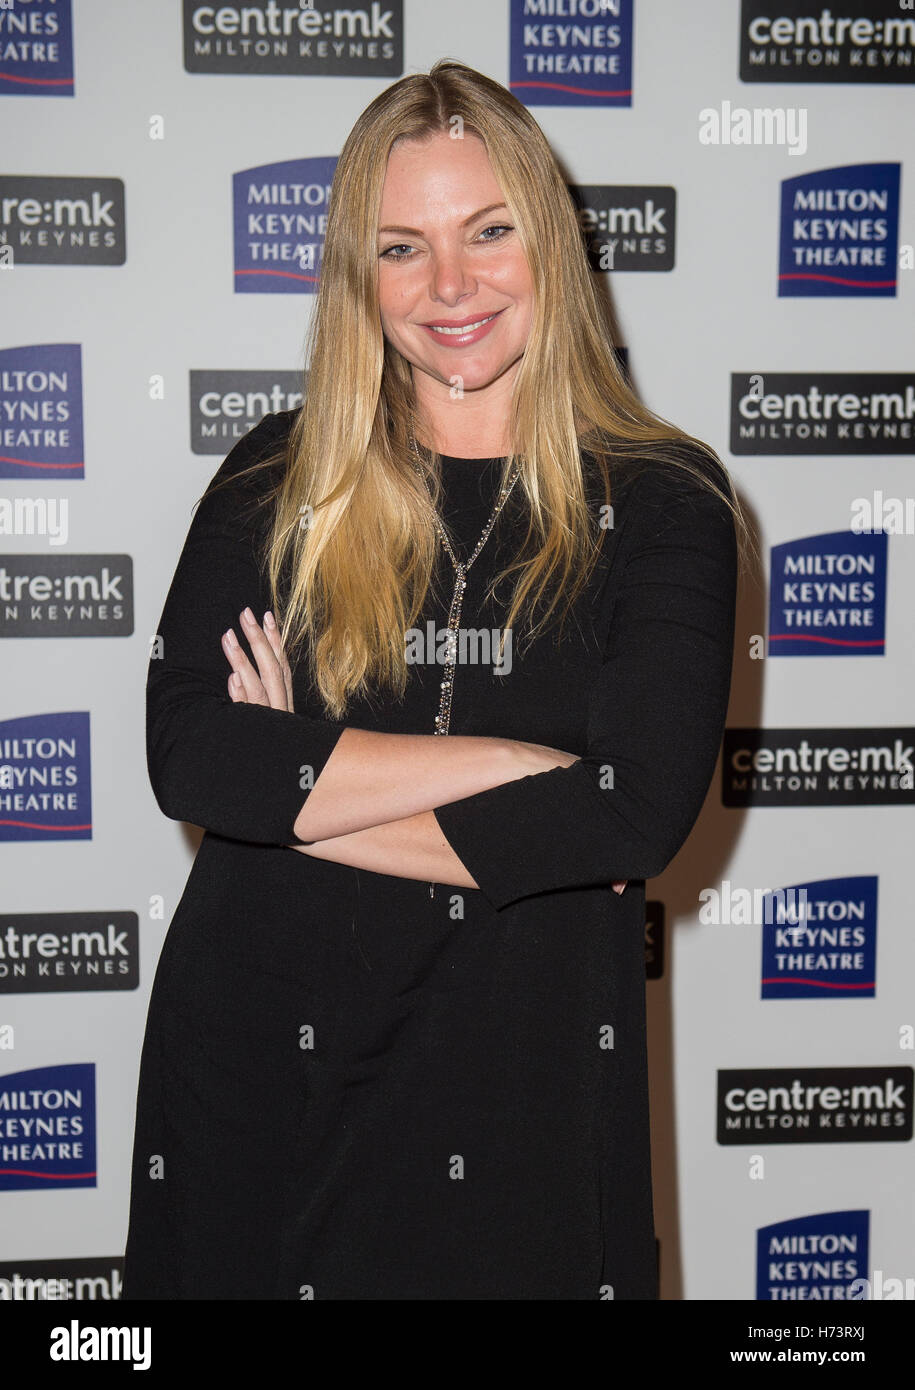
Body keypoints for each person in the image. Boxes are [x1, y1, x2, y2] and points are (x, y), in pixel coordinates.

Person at [122, 58, 742, 1301]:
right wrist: (525, 771)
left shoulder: (667, 498)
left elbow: (634, 811)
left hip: (522, 1087)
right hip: (260, 1075)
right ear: (360, 274)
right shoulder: (279, 475)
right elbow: (191, 757)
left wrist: (301, 787)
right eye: (403, 246)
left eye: (488, 232)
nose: (451, 286)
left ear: (550, 244)